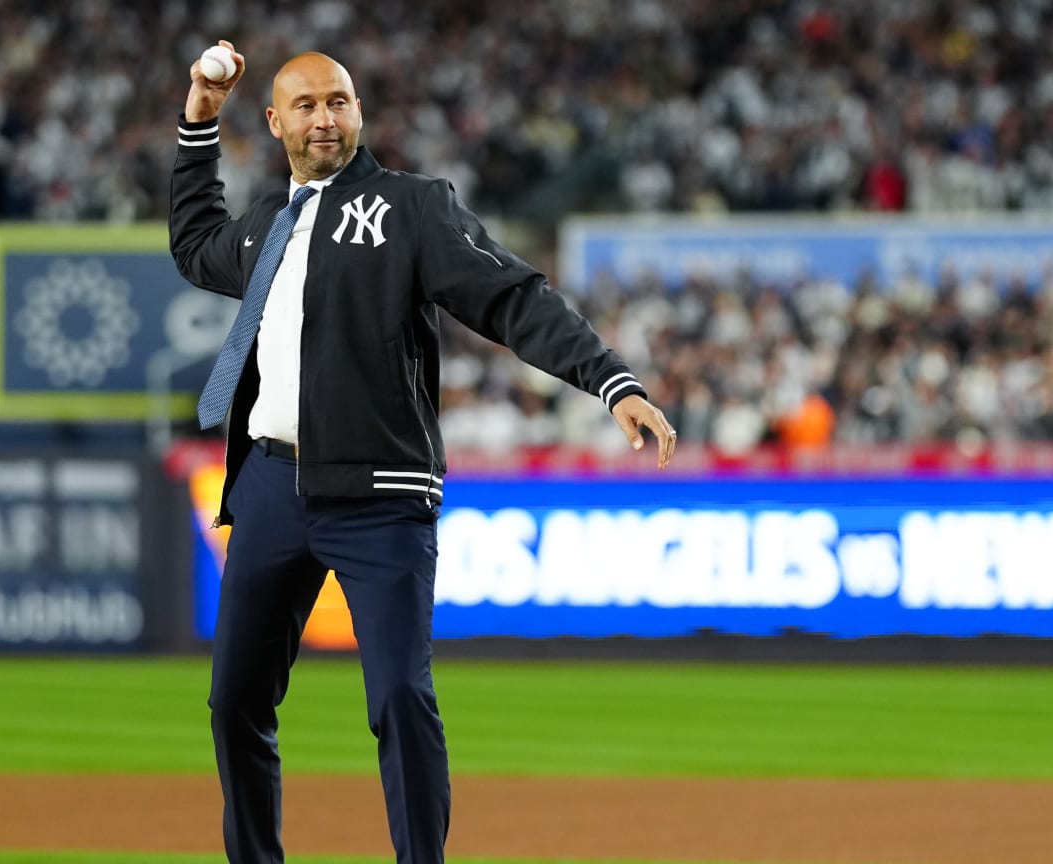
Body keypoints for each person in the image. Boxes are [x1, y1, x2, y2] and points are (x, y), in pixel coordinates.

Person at [169, 42, 677, 864]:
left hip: (379, 490)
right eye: (306, 105)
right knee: (234, 703)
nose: (325, 117)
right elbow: (195, 246)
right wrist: (198, 117)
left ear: (359, 111)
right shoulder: (267, 221)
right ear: (274, 122)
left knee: (401, 697)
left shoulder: (410, 208)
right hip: (269, 484)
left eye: (339, 100)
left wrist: (612, 382)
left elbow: (512, 295)